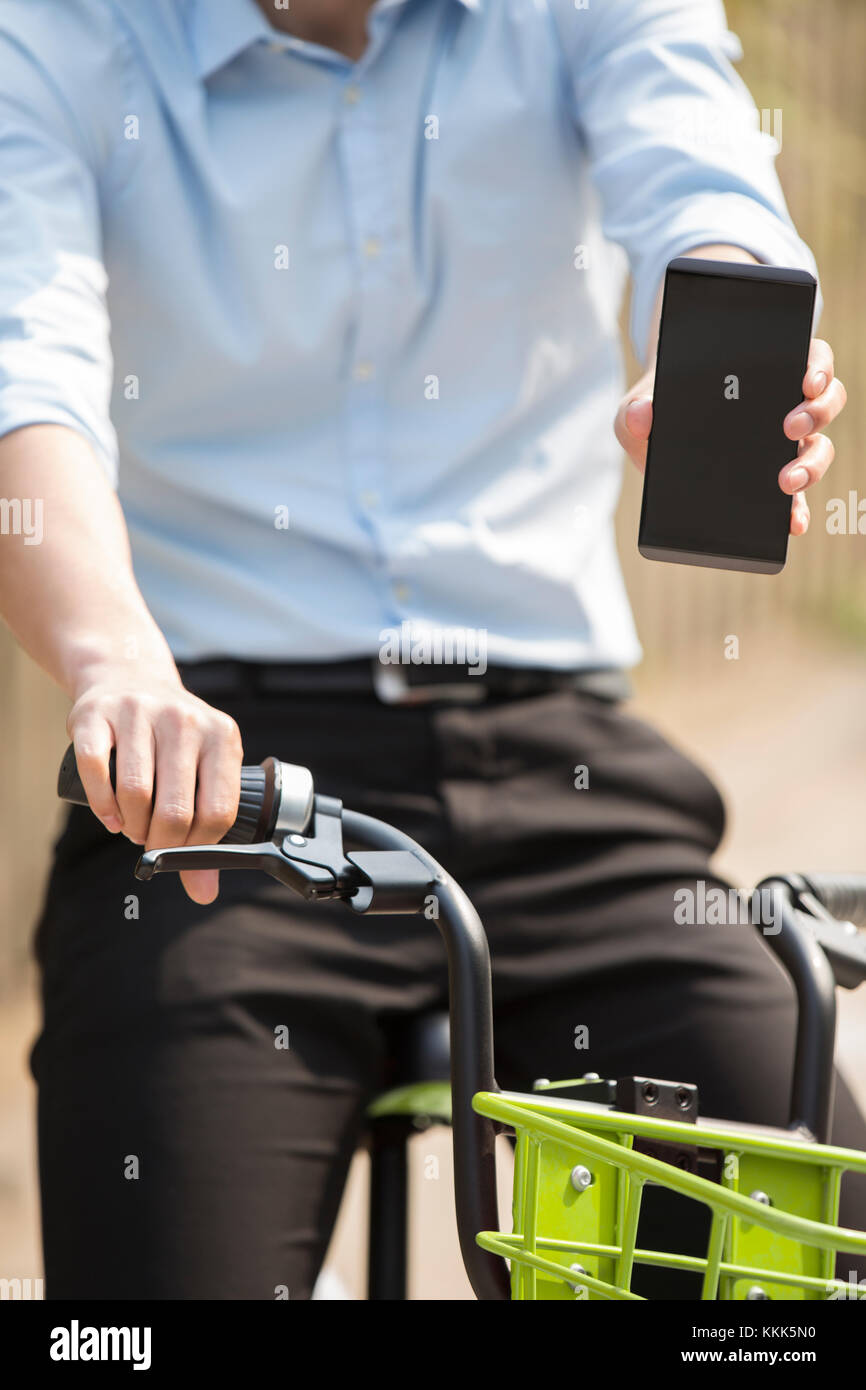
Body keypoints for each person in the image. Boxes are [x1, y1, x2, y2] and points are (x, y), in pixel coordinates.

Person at [0, 0, 859, 1299]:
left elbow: (695, 162)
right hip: (216, 795)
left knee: (803, 1237)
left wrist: (722, 345)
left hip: (561, 769)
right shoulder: (57, 32)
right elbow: (29, 370)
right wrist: (116, 661)